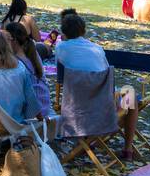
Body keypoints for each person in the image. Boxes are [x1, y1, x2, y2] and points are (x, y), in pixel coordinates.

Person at [54, 11, 137, 158]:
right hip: (102, 108)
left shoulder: (61, 48)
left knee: (87, 88)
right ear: (84, 31)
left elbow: (61, 72)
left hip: (77, 109)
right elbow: (106, 76)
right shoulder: (97, 48)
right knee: (131, 94)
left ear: (63, 33)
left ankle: (90, 140)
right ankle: (128, 148)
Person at [0, 32, 38, 124]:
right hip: (15, 123)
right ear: (8, 47)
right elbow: (31, 99)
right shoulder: (20, 69)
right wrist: (40, 118)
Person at [5, 20, 55, 120]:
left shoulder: (15, 62)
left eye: (5, 39)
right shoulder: (33, 53)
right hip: (44, 106)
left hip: (34, 114)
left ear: (13, 40)